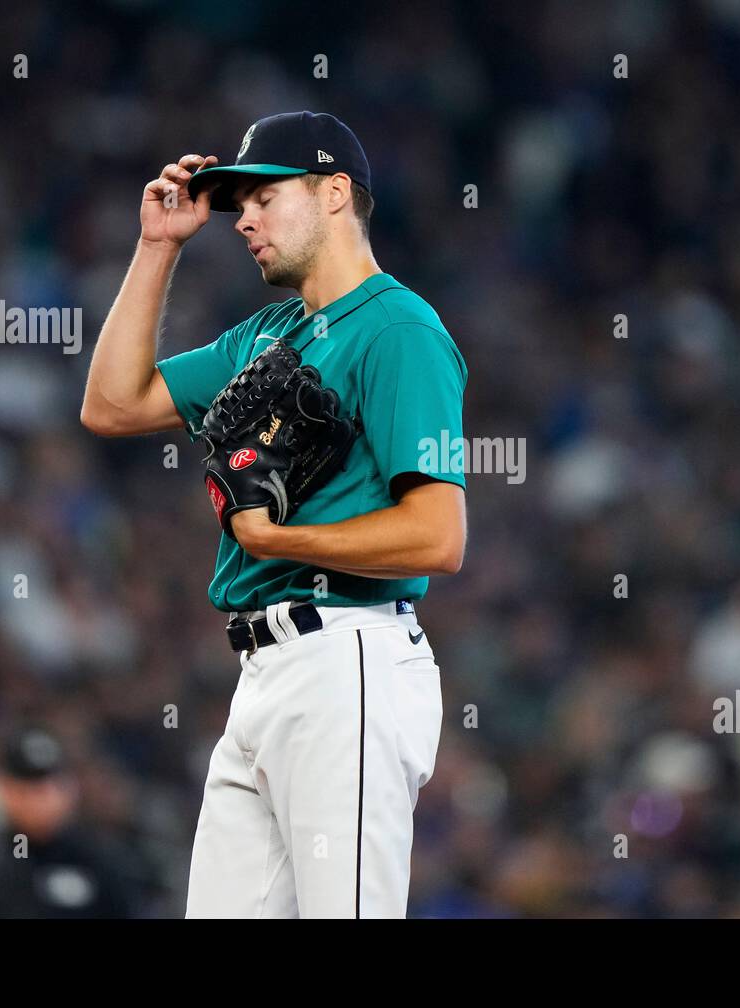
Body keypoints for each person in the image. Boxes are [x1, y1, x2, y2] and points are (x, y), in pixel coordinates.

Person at [80, 111, 468, 918]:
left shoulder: (400, 331)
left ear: (334, 193)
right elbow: (114, 404)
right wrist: (158, 248)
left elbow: (439, 536)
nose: (244, 217)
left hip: (347, 658)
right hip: (264, 675)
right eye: (237, 203)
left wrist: (275, 536)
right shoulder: (269, 332)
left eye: (263, 194)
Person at [0, 727, 135, 918]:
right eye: (29, 788)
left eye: (52, 785)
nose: (44, 799)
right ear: (3, 787)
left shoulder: (98, 859)